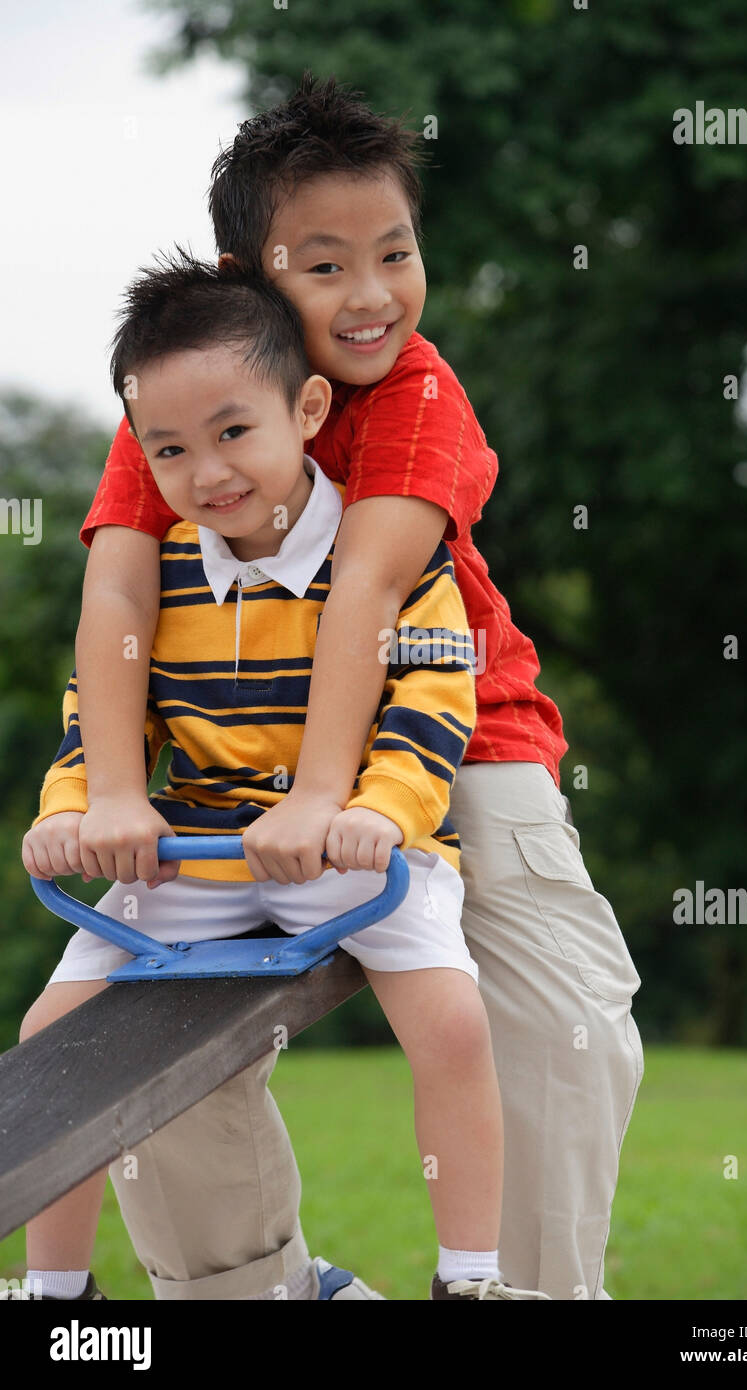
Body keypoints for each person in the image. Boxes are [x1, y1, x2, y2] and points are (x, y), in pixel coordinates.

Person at [62, 73, 643, 1301]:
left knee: (558, 1020)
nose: (372, 294)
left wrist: (331, 795)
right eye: (323, 265)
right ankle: (246, 1291)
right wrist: (115, 790)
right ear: (247, 272)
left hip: (454, 730)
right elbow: (116, 597)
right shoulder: (180, 390)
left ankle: (515, 1290)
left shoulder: (417, 392)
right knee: (135, 1019)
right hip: (232, 757)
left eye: (395, 251)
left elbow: (373, 604)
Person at [14, 254, 551, 1303]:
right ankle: (55, 1293)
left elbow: (432, 706)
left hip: (352, 847)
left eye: (231, 432)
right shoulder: (158, 577)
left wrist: (378, 815)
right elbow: (102, 717)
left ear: (307, 409)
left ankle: (471, 1276)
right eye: (168, 450)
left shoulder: (388, 555)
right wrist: (77, 810)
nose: (206, 472)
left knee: (448, 1018)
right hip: (201, 852)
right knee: (52, 1038)